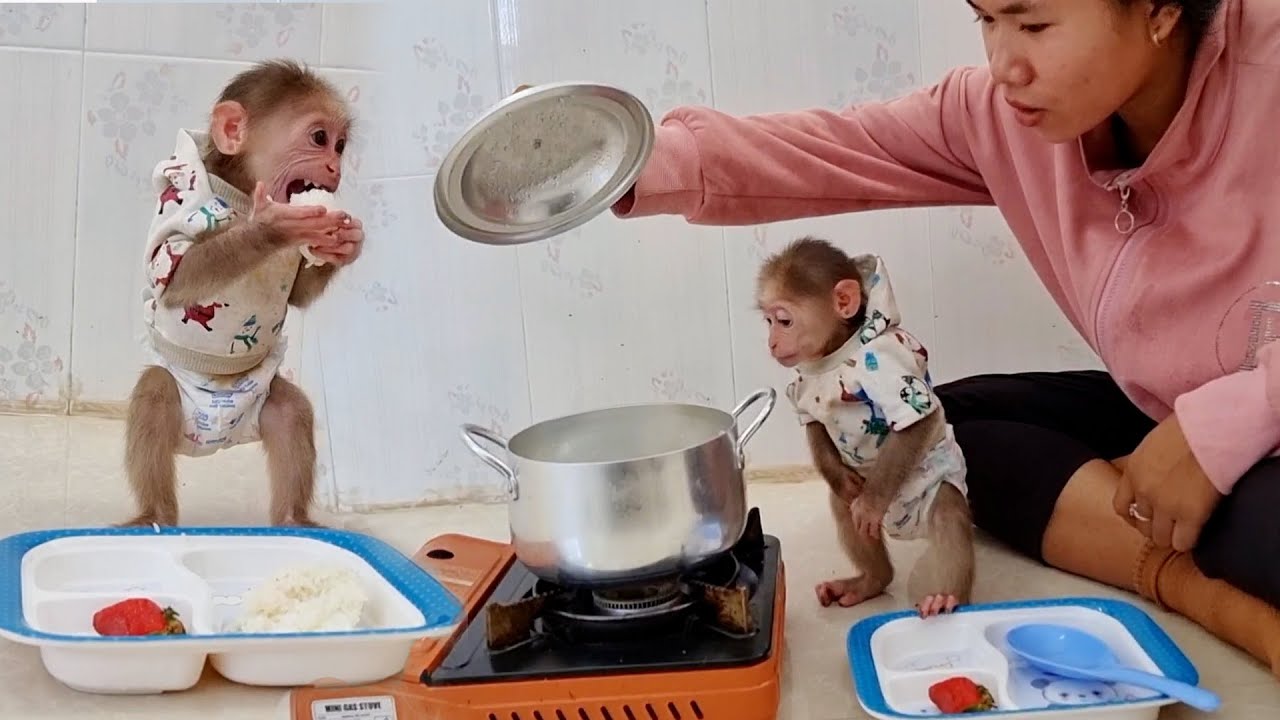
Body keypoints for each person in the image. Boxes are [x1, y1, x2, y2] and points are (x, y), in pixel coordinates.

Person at [603, 0, 1280, 675]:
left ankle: (1208, 556)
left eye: (1035, 25)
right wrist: (622, 157)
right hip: (1171, 403)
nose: (1004, 66)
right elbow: (843, 148)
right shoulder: (1002, 114)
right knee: (947, 427)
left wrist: (1225, 425)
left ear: (1160, 11)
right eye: (986, 20)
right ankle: (1190, 582)